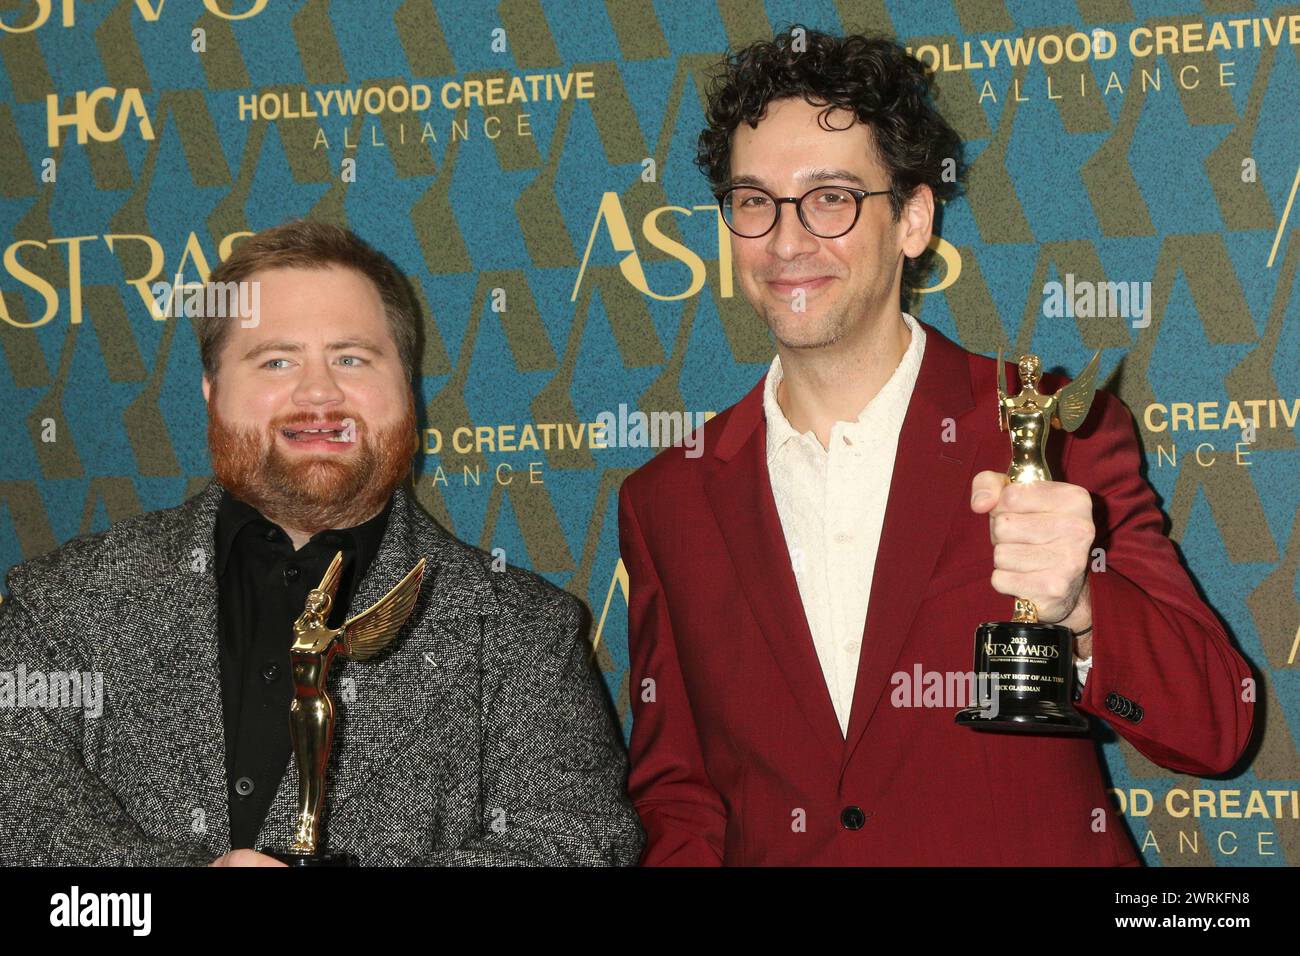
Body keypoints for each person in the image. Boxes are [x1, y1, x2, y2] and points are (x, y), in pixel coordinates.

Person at [617, 28, 1254, 866]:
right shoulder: (669, 497)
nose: (786, 240)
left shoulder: (1055, 428)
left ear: (914, 218)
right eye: (754, 201)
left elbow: (1218, 728)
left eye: (832, 197)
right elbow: (681, 797)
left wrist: (1084, 606)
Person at [0, 219, 643, 866]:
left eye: (351, 358)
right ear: (212, 390)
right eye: (276, 360)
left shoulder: (523, 634)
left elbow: (580, 845)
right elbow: (19, 823)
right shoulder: (61, 606)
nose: (317, 393)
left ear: (409, 392)